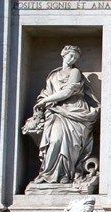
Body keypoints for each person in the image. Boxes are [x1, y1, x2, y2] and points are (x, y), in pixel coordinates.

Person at [24, 45, 100, 185]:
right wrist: (42, 102)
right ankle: (47, 174)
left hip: (74, 111)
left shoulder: (75, 72)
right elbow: (46, 93)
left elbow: (67, 92)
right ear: (63, 54)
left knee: (70, 145)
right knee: (55, 141)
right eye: (71, 55)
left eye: (75, 57)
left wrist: (45, 101)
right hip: (56, 112)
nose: (72, 59)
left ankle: (66, 175)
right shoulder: (53, 75)